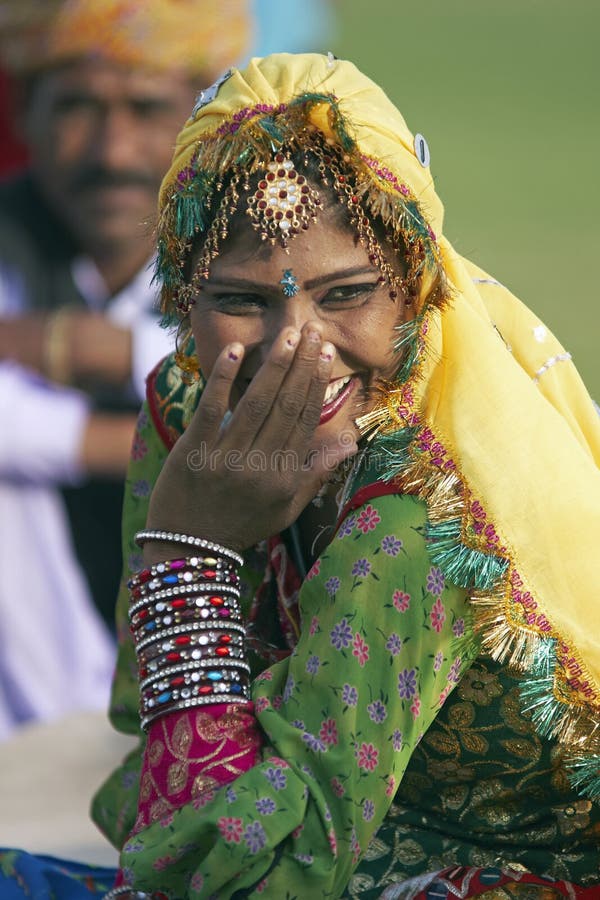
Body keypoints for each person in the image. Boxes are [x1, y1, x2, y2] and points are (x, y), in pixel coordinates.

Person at [2, 51, 600, 899]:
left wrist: (191, 551)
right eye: (242, 300)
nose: (299, 348)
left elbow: (263, 883)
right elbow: (152, 742)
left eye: (348, 294)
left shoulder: (425, 516)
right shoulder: (189, 411)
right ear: (181, 303)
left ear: (417, 287)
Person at [0, 0, 251, 738]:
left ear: (206, 116)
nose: (113, 151)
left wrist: (103, 353)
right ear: (25, 114)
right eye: (77, 106)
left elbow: (337, 400)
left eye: (146, 109)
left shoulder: (263, 246)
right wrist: (207, 432)